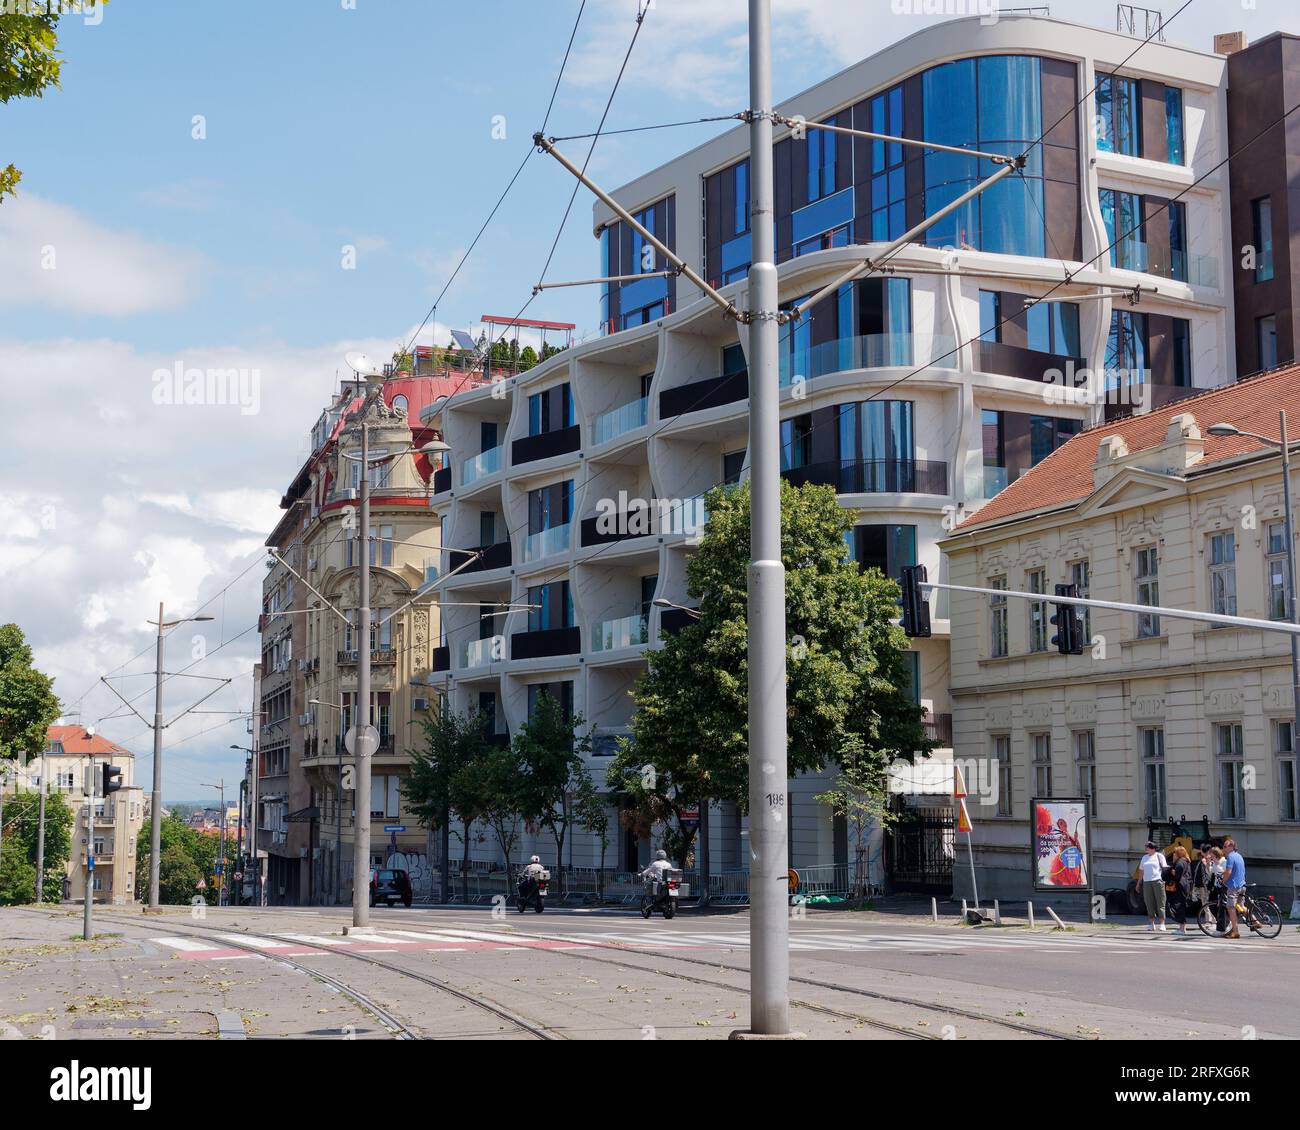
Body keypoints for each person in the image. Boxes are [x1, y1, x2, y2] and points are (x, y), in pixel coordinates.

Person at [1138, 839, 1168, 932]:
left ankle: (1162, 923)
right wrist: (1139, 882)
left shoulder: (1159, 856)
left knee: (1160, 902)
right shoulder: (1144, 857)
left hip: (1157, 881)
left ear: (1153, 848)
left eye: (1147, 847)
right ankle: (1151, 923)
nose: (1146, 849)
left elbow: (1165, 867)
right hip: (1147, 882)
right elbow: (1141, 870)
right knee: (1149, 902)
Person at [1222, 838, 1247, 939]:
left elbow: (1229, 871)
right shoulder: (1239, 856)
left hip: (1233, 887)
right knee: (1240, 906)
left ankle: (1235, 931)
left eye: (1225, 846)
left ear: (1231, 847)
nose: (1223, 848)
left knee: (1230, 908)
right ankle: (1256, 922)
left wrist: (1223, 881)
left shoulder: (1230, 857)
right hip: (1242, 885)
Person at [1166, 845, 1192, 933]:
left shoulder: (1180, 862)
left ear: (1178, 854)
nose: (1173, 855)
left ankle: (1182, 929)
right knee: (1182, 905)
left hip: (1180, 886)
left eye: (1174, 853)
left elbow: (1178, 875)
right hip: (1186, 886)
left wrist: (1173, 873)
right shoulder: (1186, 861)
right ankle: (1182, 928)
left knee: (1179, 906)